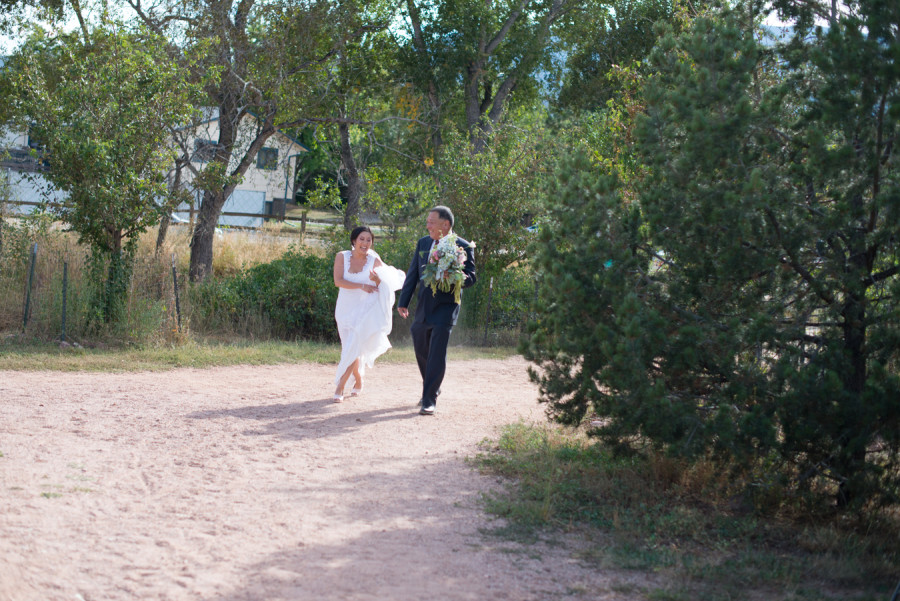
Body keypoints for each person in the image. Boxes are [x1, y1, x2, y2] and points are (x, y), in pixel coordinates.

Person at [397, 206, 476, 415]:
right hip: (424, 306)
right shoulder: (423, 243)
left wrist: (456, 275)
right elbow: (413, 272)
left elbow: (471, 276)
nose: (428, 225)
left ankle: (428, 399)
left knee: (436, 353)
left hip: (447, 306)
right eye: (428, 221)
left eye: (432, 221)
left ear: (446, 224)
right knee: (420, 344)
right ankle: (433, 385)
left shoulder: (463, 246)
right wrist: (403, 300)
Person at [332, 226, 406, 402]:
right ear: (354, 241)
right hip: (344, 309)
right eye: (361, 239)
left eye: (368, 240)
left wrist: (377, 280)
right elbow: (338, 281)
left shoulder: (374, 260)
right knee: (349, 348)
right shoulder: (342, 256)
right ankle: (358, 380)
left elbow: (386, 285)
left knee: (353, 346)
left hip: (364, 311)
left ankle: (340, 387)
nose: (365, 243)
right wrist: (362, 285)